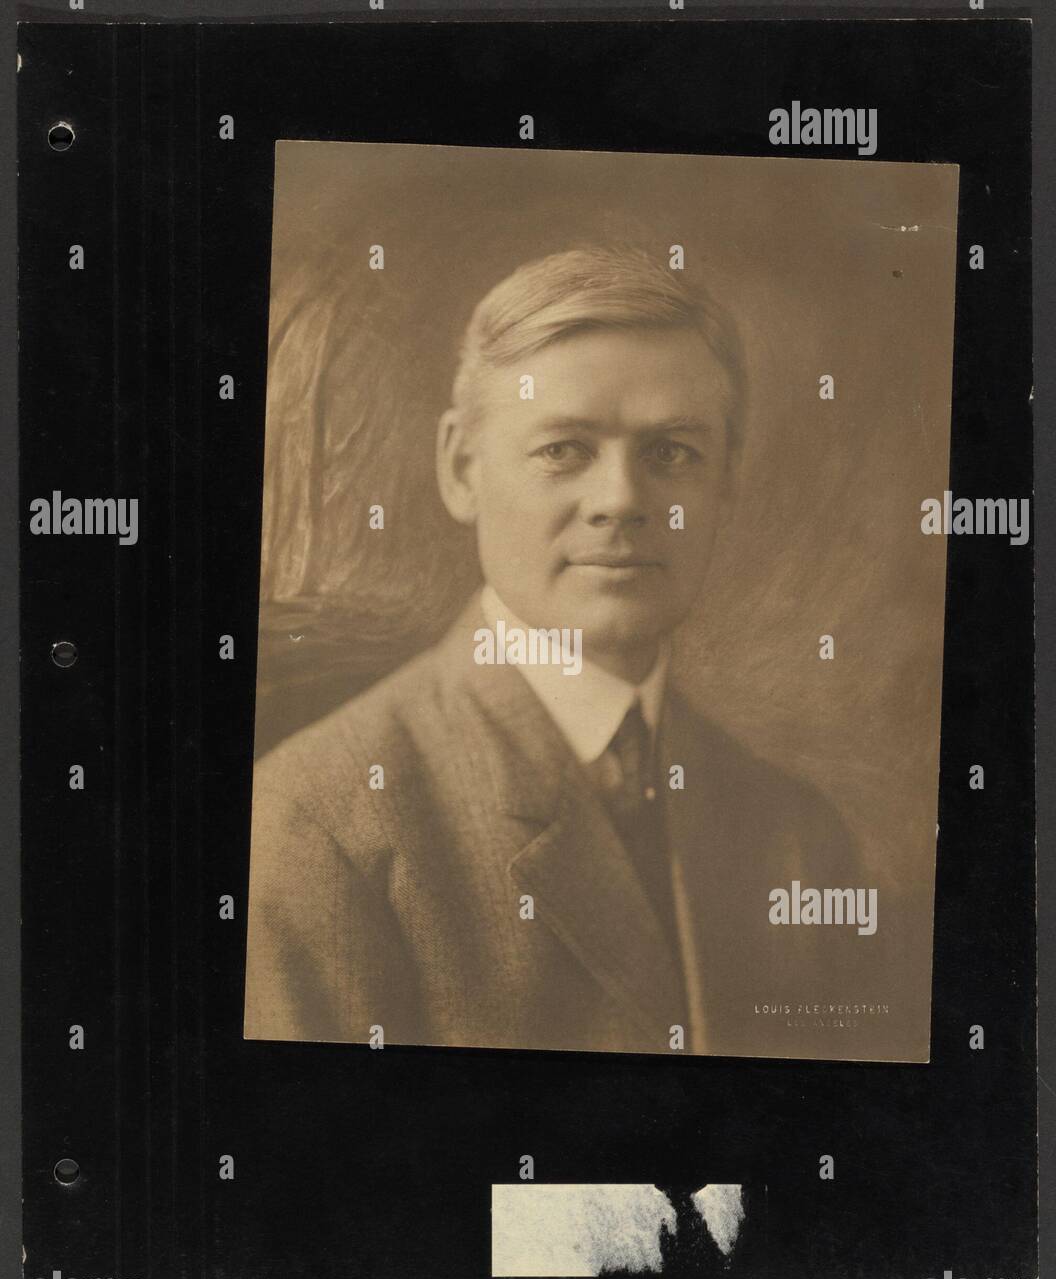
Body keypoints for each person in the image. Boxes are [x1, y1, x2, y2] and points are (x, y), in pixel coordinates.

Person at [244, 244, 880, 1059]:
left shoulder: (798, 836)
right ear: (460, 469)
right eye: (563, 450)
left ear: (727, 483)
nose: (620, 501)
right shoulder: (318, 826)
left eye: (671, 453)